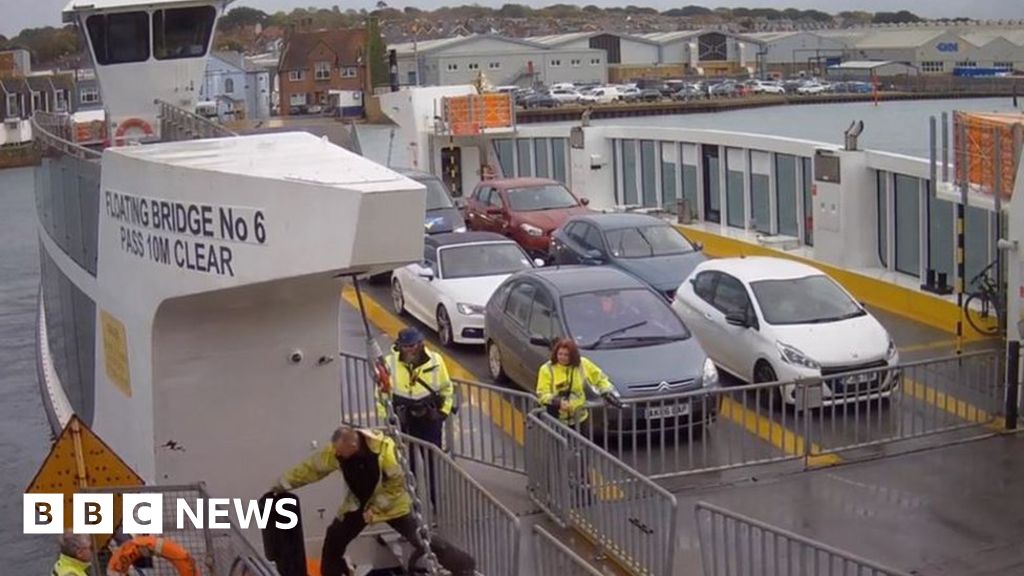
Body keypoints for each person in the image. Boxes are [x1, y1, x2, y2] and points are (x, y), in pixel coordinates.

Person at [272, 426, 423, 576]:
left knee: (422, 539)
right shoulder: (338, 452)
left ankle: (443, 559)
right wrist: (282, 484)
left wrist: (376, 509)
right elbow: (312, 468)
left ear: (353, 445)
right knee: (334, 538)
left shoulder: (385, 449)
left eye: (340, 450)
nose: (337, 453)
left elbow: (396, 485)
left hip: (392, 504)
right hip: (359, 504)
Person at [376, 328, 454, 450]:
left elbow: (447, 389)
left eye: (413, 345)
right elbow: (381, 396)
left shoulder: (435, 360)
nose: (411, 349)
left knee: (433, 456)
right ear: (400, 346)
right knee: (408, 460)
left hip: (429, 418)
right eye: (406, 346)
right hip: (403, 419)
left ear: (420, 343)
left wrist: (442, 413)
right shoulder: (389, 363)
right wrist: (388, 418)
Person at [536, 338, 624, 427]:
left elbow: (600, 378)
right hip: (555, 420)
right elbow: (542, 394)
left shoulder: (583, 364)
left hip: (579, 418)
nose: (562, 357)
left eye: (566, 355)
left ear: (573, 355)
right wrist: (557, 402)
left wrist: (606, 392)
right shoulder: (546, 369)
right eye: (560, 354)